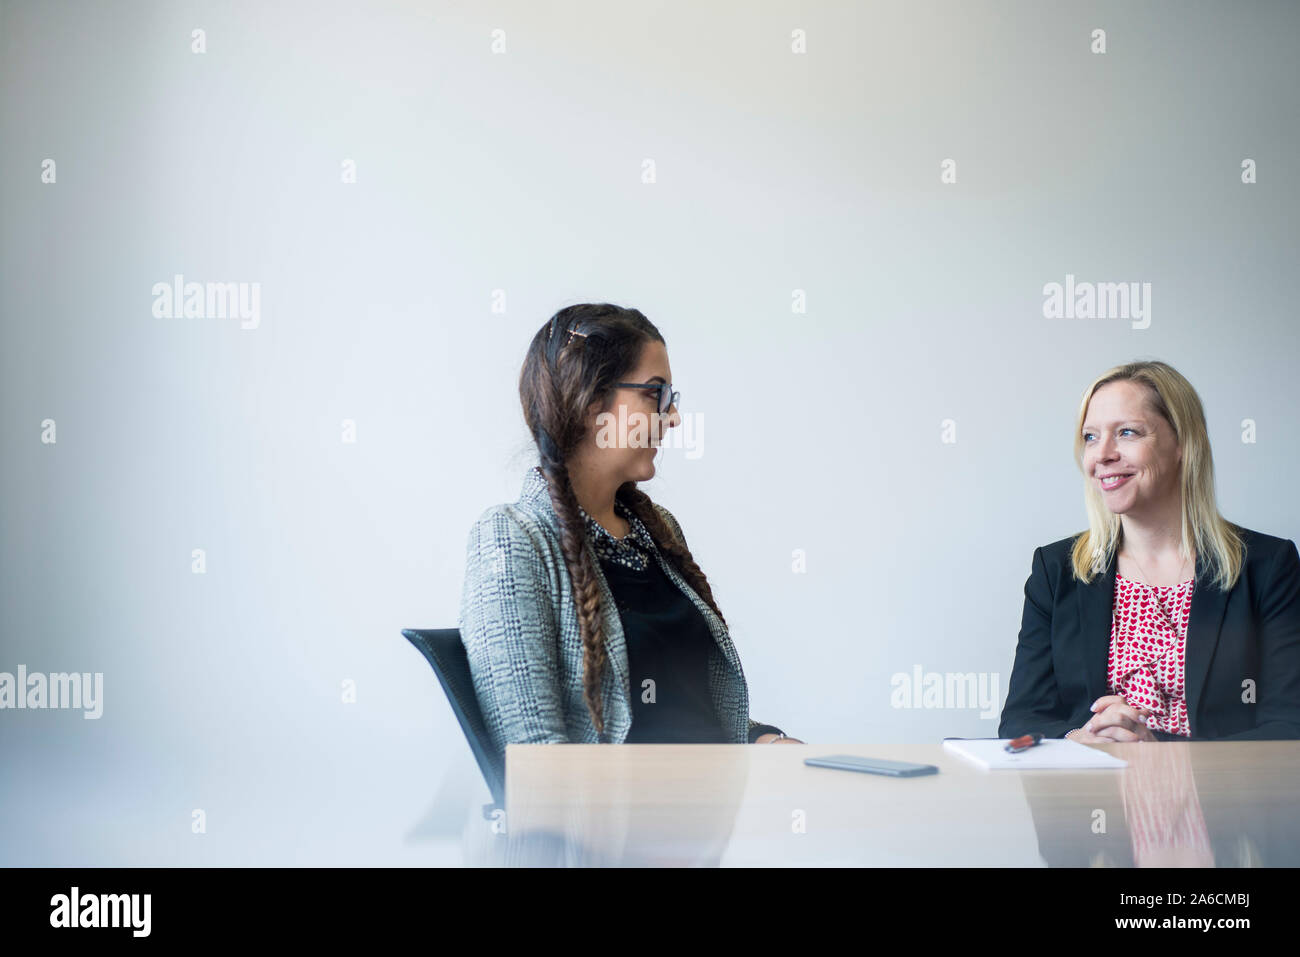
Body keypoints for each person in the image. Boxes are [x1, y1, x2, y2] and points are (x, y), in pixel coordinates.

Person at [459, 303, 801, 762]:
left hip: (713, 815)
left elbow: (688, 711)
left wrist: (763, 740)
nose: (674, 417)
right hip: (620, 829)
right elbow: (534, 765)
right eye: (655, 394)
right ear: (589, 400)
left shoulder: (658, 531)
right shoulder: (512, 539)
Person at [1000, 360, 1300, 742]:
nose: (1103, 454)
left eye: (1127, 432)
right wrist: (1078, 741)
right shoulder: (1056, 570)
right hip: (1092, 798)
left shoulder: (1267, 566)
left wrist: (1157, 749)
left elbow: (1289, 729)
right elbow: (1022, 721)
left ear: (1182, 444)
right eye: (1091, 437)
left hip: (1217, 800)